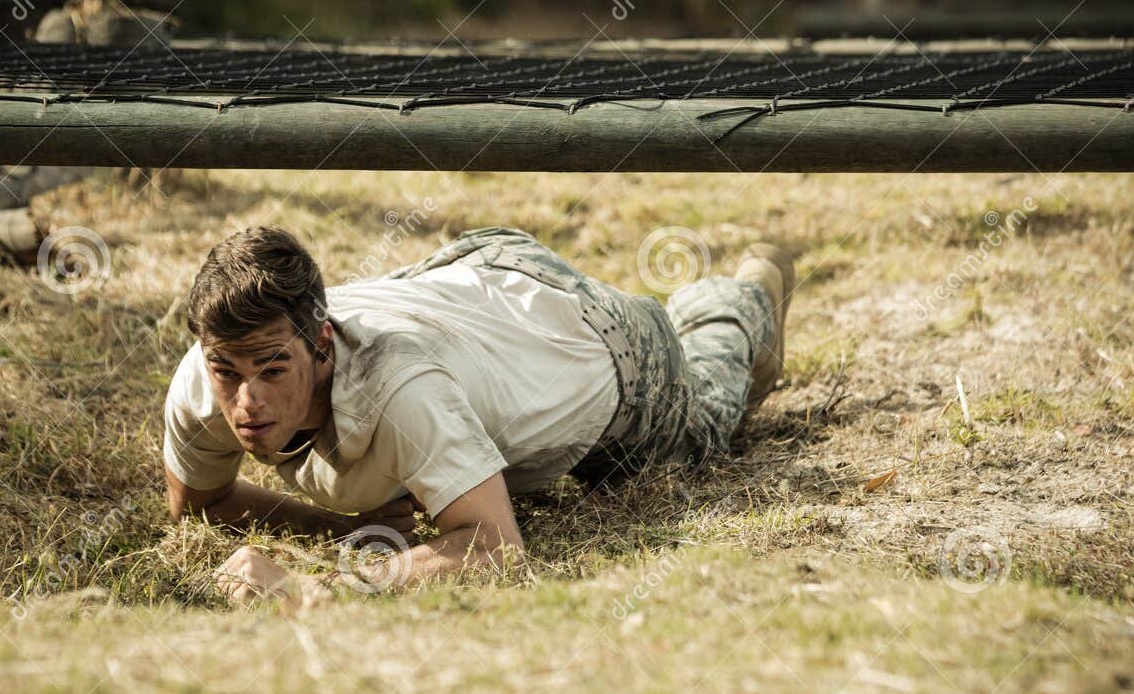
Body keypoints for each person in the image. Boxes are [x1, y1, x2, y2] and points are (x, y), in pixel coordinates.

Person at [161, 224, 794, 603]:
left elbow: (496, 550)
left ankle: (739, 299)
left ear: (321, 342)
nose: (247, 402)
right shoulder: (202, 373)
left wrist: (321, 588)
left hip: (610, 350)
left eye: (273, 370)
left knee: (703, 417)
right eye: (228, 371)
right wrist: (336, 528)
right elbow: (199, 502)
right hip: (474, 273)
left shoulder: (401, 390)